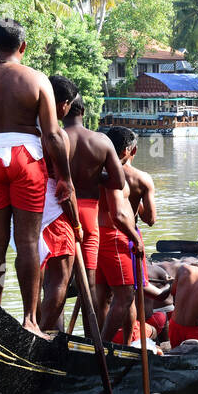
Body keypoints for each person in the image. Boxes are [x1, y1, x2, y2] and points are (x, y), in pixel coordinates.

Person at [0, 18, 71, 338]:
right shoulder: (37, 81)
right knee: (28, 243)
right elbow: (53, 135)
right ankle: (30, 320)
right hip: (28, 160)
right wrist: (64, 177)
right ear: (23, 47)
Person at [62, 92, 128, 329]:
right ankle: (93, 341)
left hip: (61, 211)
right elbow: (118, 182)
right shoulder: (100, 140)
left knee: (55, 280)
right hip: (89, 213)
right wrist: (93, 177)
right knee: (89, 284)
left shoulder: (55, 137)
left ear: (63, 108)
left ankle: (50, 333)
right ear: (83, 112)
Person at [33, 76, 83, 333]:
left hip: (27, 208)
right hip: (53, 211)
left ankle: (35, 325)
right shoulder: (56, 134)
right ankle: (39, 334)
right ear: (63, 104)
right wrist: (76, 223)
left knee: (37, 272)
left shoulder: (25, 128)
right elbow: (66, 187)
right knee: (60, 279)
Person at [96, 126, 150, 345]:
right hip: (114, 235)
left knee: (102, 296)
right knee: (126, 296)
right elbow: (118, 213)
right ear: (130, 150)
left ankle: (111, 344)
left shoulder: (94, 168)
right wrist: (135, 238)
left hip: (96, 235)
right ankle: (103, 347)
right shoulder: (113, 172)